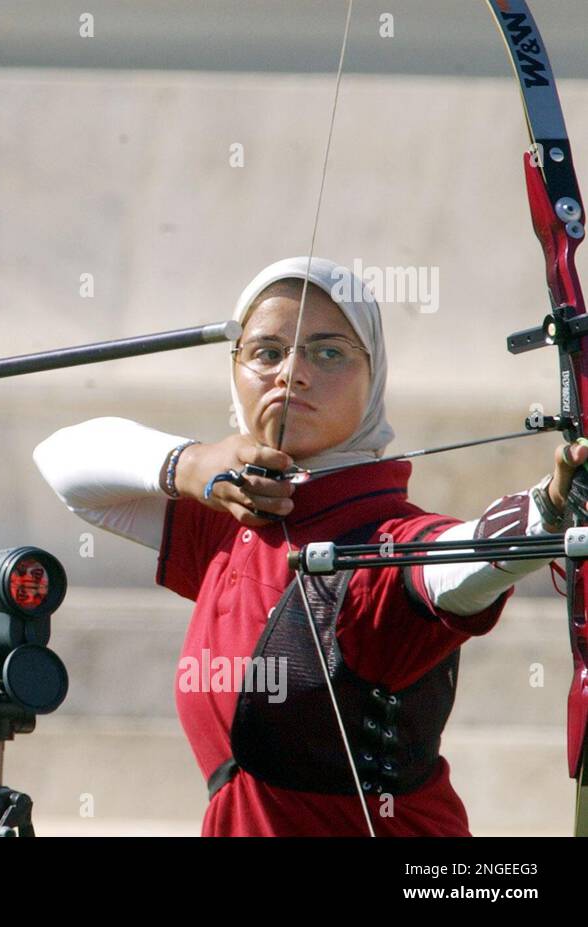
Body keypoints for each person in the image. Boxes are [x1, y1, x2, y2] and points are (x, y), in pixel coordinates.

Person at [33, 255, 583, 836]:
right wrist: (190, 463)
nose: (290, 374)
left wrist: (547, 510)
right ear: (235, 368)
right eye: (266, 352)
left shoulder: (383, 537)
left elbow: (453, 564)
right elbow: (63, 461)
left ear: (375, 381)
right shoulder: (231, 516)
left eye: (328, 353)